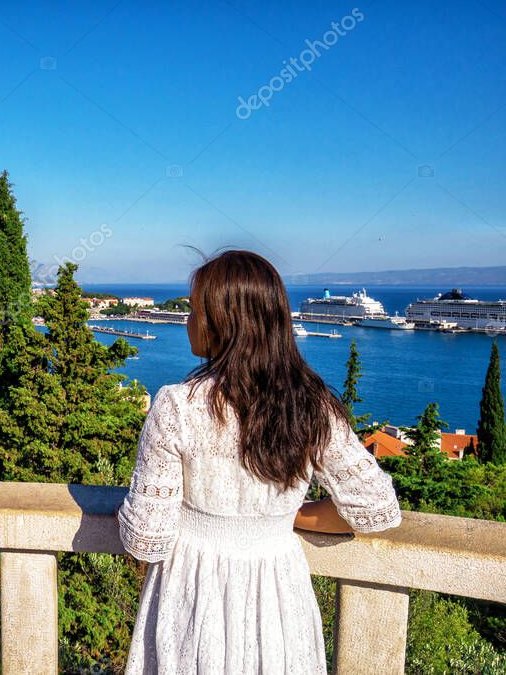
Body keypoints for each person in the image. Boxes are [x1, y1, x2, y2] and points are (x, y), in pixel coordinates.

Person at [117, 250, 401, 674]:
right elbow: (377, 508)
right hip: (279, 598)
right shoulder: (312, 406)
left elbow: (145, 540)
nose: (189, 321)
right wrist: (289, 516)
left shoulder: (176, 407)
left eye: (196, 311)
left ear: (222, 323)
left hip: (192, 593)